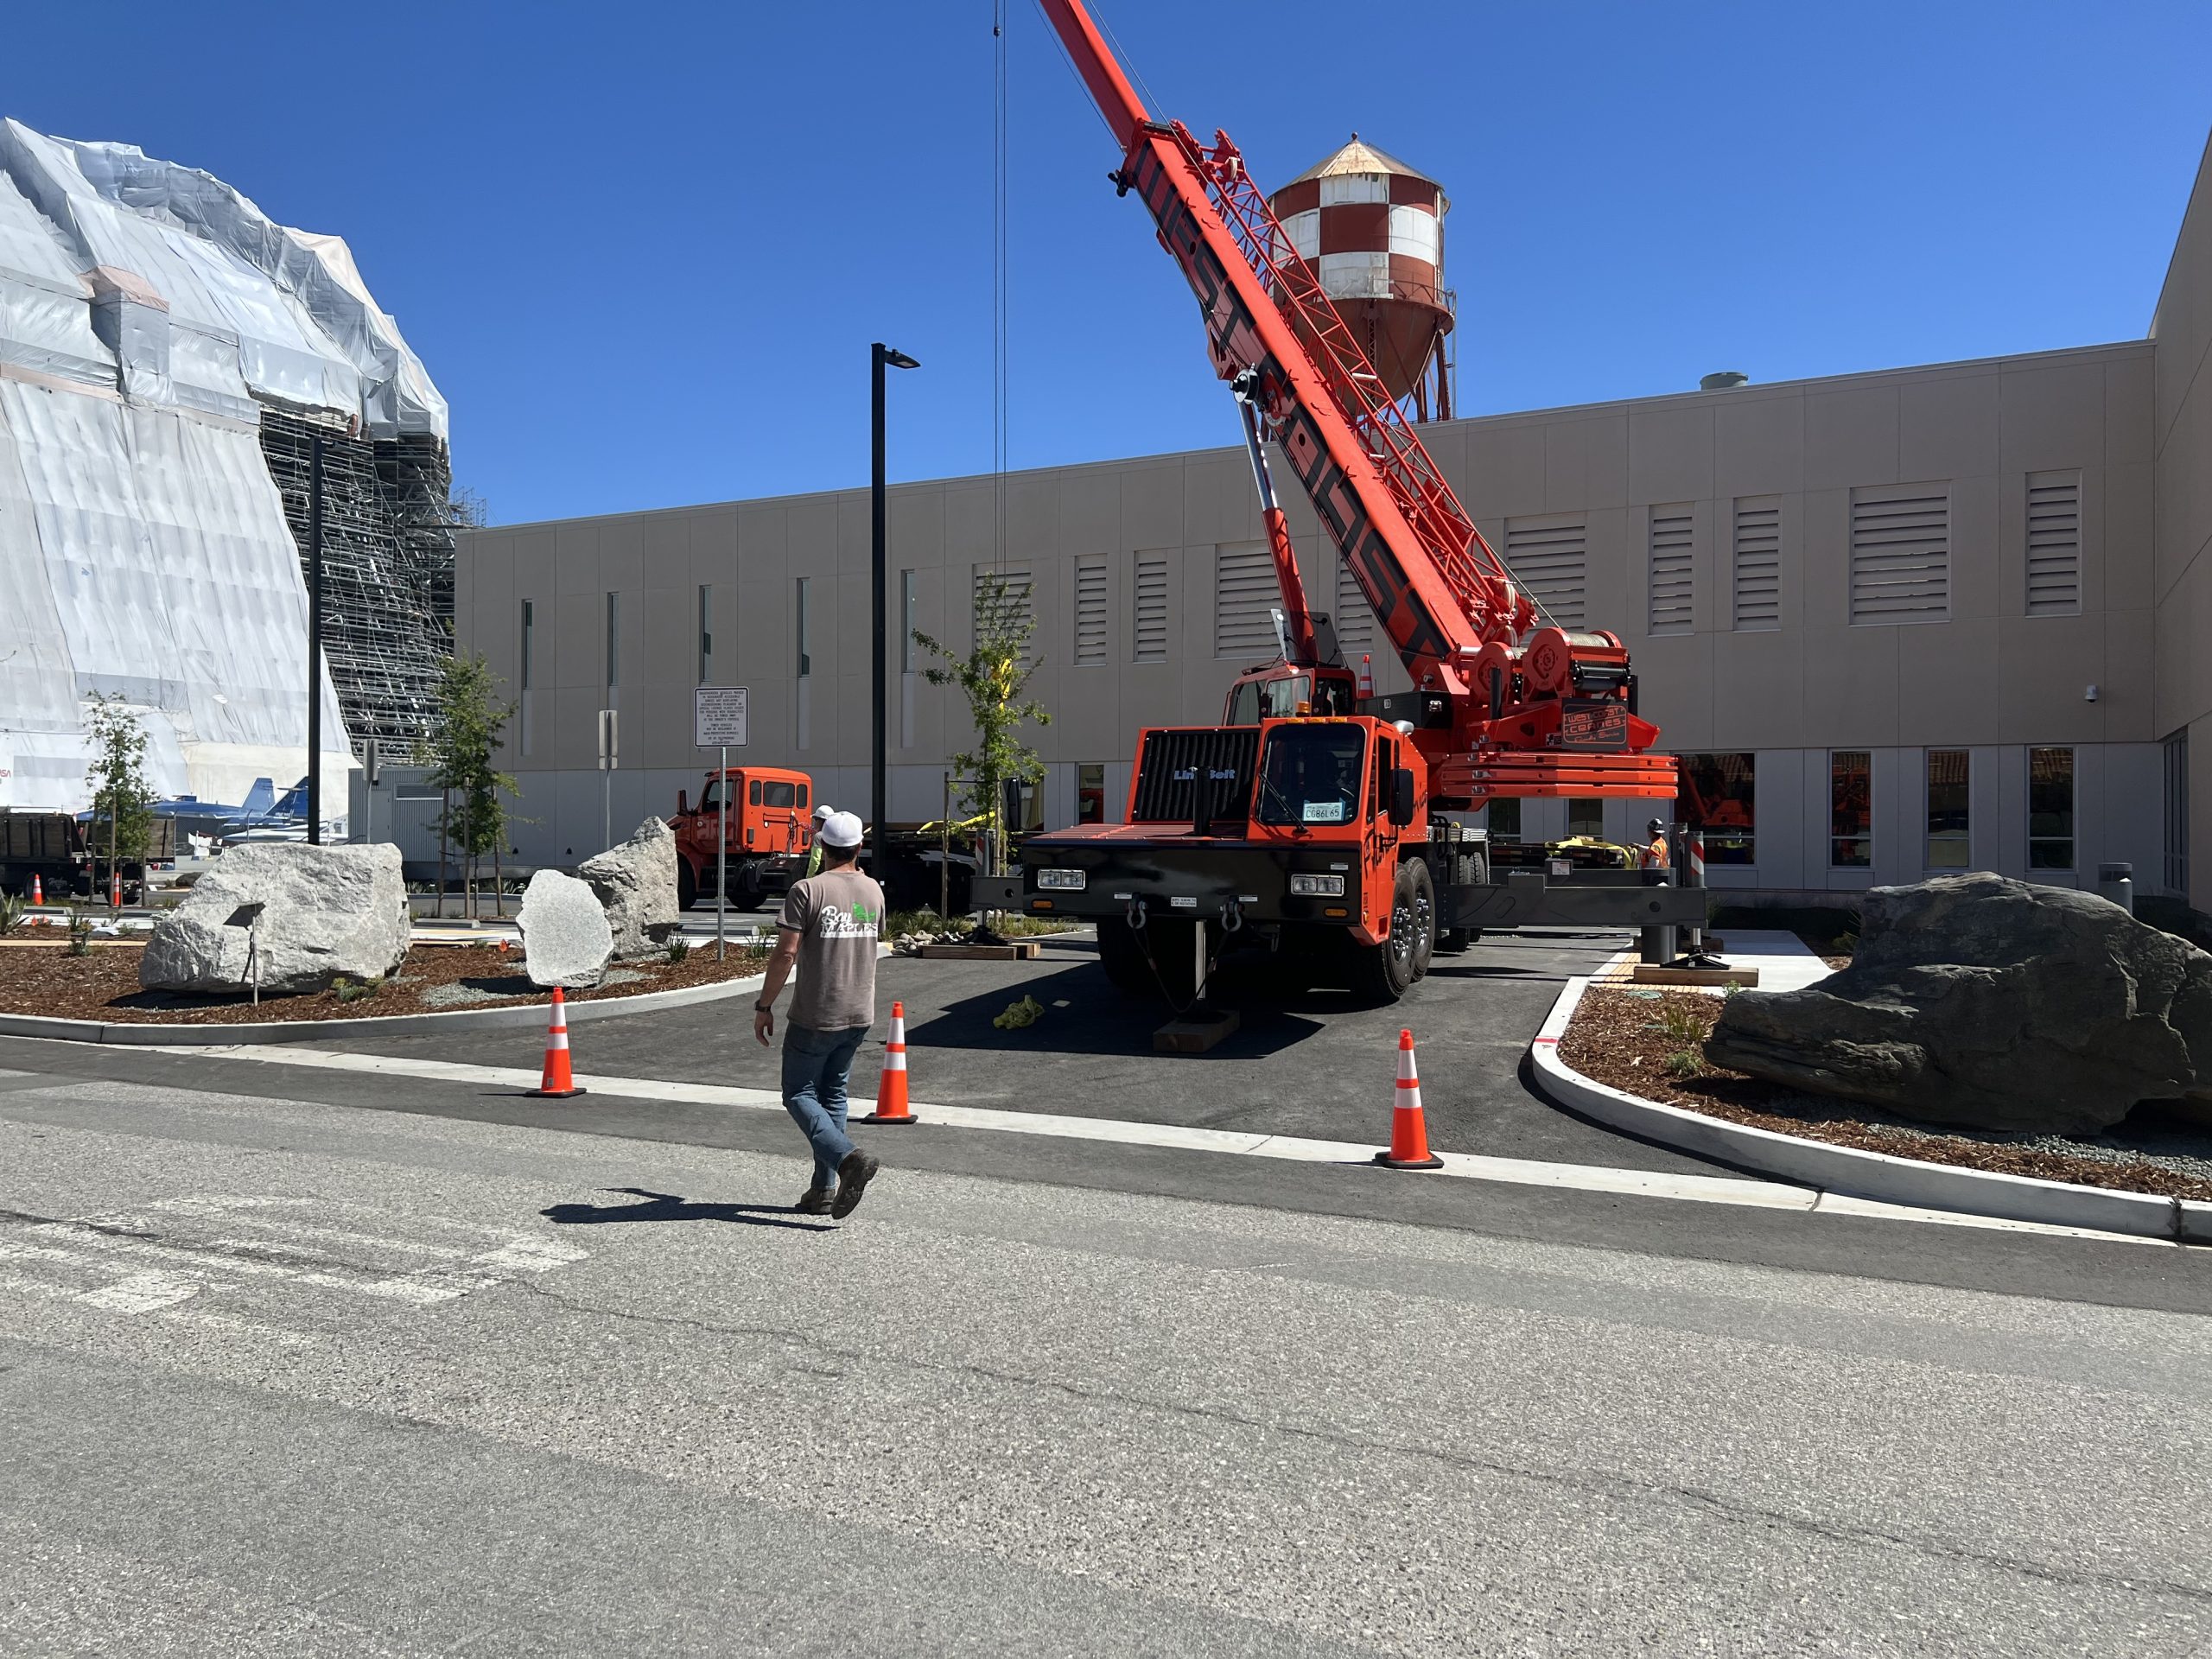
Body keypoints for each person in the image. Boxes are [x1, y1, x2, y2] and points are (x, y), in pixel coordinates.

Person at [754, 810, 884, 1219]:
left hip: (817, 1012)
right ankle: (824, 1189)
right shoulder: (874, 891)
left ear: (821, 845)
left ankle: (848, 1160)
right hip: (859, 1011)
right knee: (833, 1096)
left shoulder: (807, 890)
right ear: (859, 846)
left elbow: (786, 953)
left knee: (798, 1093)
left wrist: (764, 1005)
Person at [803, 802, 835, 878]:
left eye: (815, 819)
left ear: (820, 821)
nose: (814, 822)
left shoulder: (818, 837)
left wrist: (809, 877)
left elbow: (815, 860)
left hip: (822, 874)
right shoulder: (835, 835)